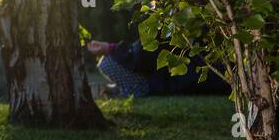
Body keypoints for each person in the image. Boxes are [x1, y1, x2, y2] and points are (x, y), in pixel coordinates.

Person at [87, 38, 230, 98]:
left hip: (170, 80)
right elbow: (138, 58)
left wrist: (110, 49)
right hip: (173, 78)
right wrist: (110, 48)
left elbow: (138, 59)